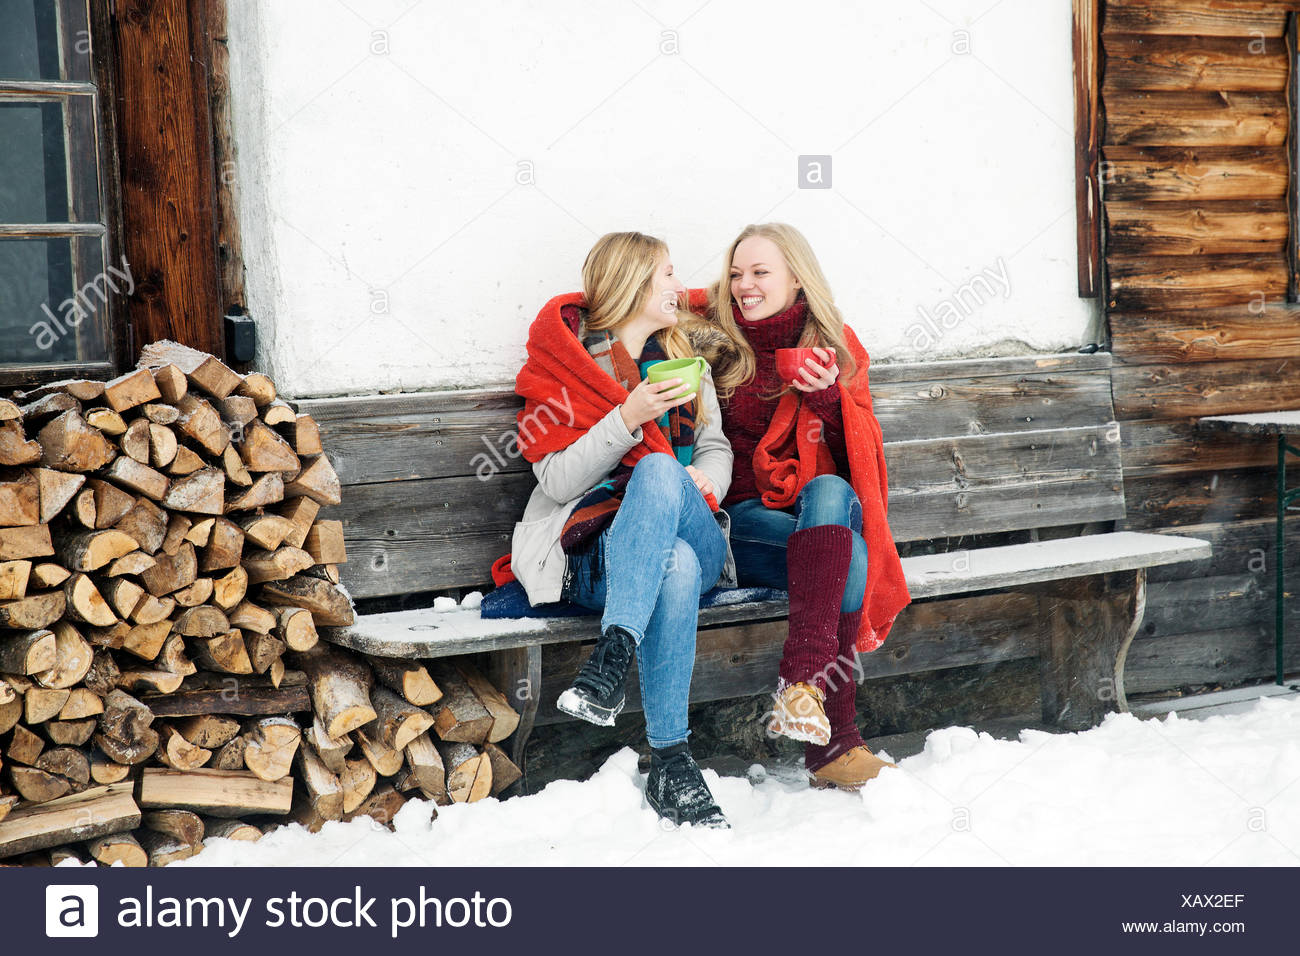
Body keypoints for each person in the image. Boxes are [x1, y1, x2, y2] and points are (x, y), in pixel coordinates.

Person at [510, 231, 735, 828]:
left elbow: (715, 448)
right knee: (675, 565)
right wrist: (626, 417)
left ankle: (612, 655)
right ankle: (671, 759)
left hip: (697, 523)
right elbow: (556, 482)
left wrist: (705, 485)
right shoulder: (567, 371)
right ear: (631, 283)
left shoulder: (685, 360)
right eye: (665, 273)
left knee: (665, 469)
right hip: (599, 552)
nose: (677, 285)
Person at [699, 222, 912, 791]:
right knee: (849, 553)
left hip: (813, 519)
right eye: (736, 273)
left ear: (797, 278)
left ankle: (803, 690)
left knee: (833, 494)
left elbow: (862, 457)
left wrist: (827, 398)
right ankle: (836, 742)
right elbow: (637, 299)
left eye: (760, 272)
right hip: (738, 525)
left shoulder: (837, 346)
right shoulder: (712, 340)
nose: (744, 285)